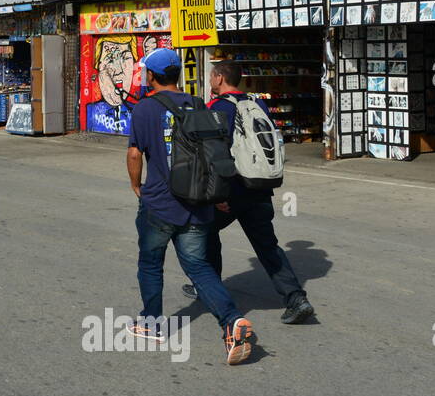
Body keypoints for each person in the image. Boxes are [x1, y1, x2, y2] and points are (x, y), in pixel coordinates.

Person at [126, 47, 255, 365]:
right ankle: (231, 321)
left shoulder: (144, 109)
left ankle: (151, 324)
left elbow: (134, 153)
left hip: (158, 202)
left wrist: (135, 185)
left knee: (151, 263)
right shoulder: (198, 103)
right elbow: (215, 150)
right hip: (197, 201)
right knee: (199, 268)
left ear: (152, 76)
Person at [182, 61, 316, 325]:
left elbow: (215, 154)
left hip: (233, 189)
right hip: (259, 187)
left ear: (220, 78)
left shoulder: (220, 108)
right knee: (267, 245)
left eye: (212, 76)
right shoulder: (258, 104)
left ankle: (209, 289)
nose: (210, 80)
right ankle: (296, 298)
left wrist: (217, 196)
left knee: (206, 231)